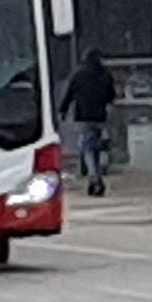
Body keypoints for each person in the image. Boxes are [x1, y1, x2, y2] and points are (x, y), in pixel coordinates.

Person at [59, 49, 117, 197]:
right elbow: (111, 95)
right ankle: (97, 174)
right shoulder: (104, 74)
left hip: (83, 116)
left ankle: (94, 177)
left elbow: (69, 94)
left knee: (88, 148)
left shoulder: (78, 74)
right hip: (99, 116)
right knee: (96, 147)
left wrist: (63, 110)